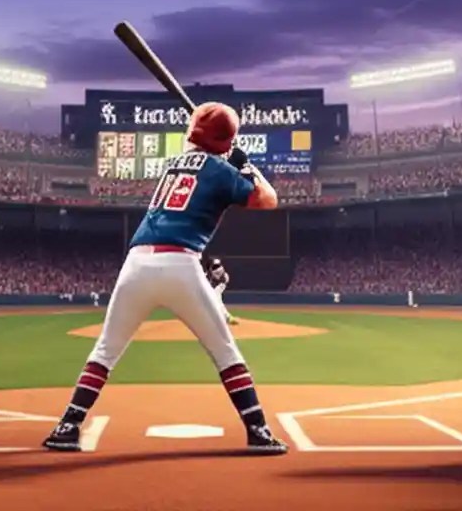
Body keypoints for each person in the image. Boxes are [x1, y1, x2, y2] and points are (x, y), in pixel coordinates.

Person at [42, 103, 287, 454]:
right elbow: (267, 200)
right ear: (224, 141)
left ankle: (67, 426)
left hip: (136, 263)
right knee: (224, 350)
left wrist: (226, 152)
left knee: (106, 349)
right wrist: (245, 165)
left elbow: (200, 156)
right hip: (181, 263)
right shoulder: (221, 170)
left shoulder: (174, 164)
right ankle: (258, 431)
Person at [203, 255, 237, 325]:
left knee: (217, 299)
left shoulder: (225, 277)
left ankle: (227, 317)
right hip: (203, 292)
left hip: (215, 289)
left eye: (219, 266)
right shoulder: (203, 277)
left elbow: (218, 294)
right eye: (215, 267)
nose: (218, 269)